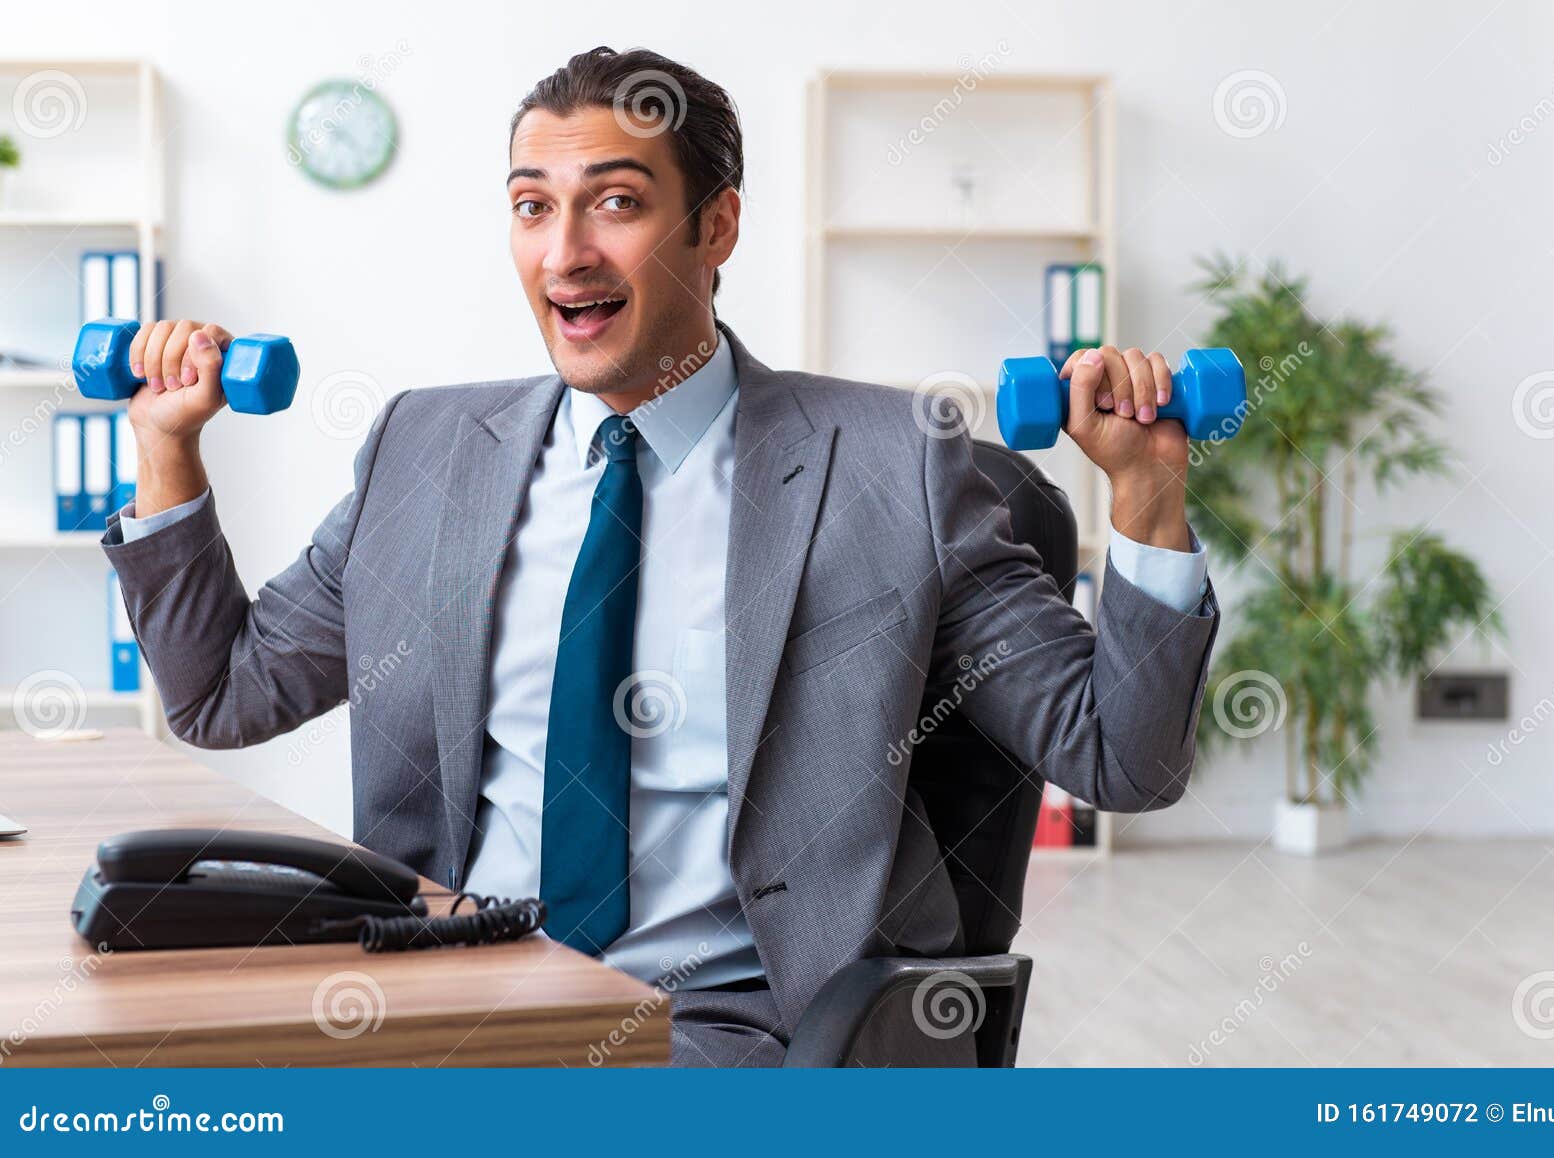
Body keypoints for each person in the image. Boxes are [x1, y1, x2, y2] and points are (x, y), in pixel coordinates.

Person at [103, 45, 1219, 1066]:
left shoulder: (890, 467)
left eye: (617, 204)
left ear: (716, 227)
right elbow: (225, 696)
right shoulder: (424, 451)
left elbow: (1124, 760)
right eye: (533, 207)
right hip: (445, 997)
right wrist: (166, 447)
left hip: (734, 1022)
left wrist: (1145, 495)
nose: (565, 251)